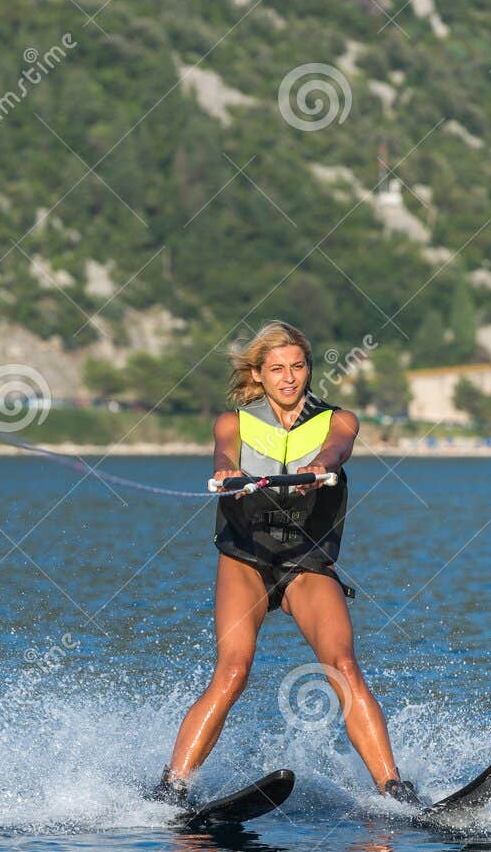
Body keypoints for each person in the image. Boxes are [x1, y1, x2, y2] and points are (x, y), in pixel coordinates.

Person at [152, 321, 420, 807]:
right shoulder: (233, 422)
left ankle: (395, 791)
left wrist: (322, 467)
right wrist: (227, 472)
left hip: (305, 561)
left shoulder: (338, 420)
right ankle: (172, 788)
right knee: (234, 670)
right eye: (277, 369)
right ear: (258, 373)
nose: (289, 377)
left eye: (297, 367)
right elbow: (223, 454)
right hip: (246, 559)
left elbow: (338, 446)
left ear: (309, 369)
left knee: (342, 665)